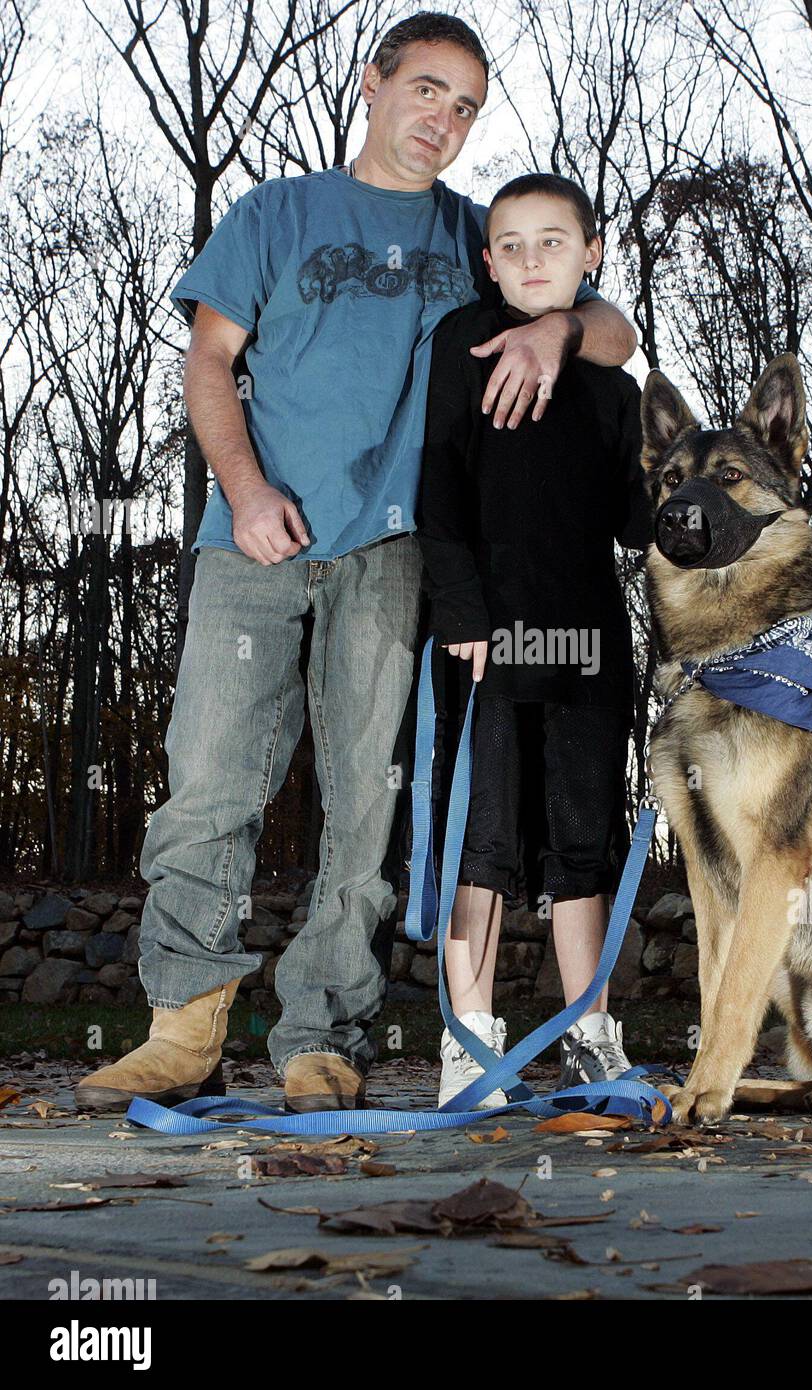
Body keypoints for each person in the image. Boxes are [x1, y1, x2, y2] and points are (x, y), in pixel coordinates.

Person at [76, 13, 638, 1115]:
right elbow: (208, 358)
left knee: (369, 805)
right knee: (211, 780)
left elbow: (611, 325)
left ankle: (322, 1036)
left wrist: (556, 331)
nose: (444, 118)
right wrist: (243, 491)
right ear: (373, 83)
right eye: (427, 89)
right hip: (253, 535)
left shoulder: (480, 235)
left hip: (391, 556)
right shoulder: (276, 212)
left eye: (467, 106)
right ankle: (181, 1030)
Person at [416, 173, 653, 1109]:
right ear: (486, 262)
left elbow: (638, 526)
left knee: (580, 837)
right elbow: (438, 488)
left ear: (591, 256)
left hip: (590, 641)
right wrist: (462, 613)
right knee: (484, 838)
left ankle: (589, 1033)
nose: (529, 259)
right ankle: (467, 1043)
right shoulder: (462, 348)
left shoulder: (616, 384)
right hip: (487, 639)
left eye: (552, 241)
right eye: (509, 244)